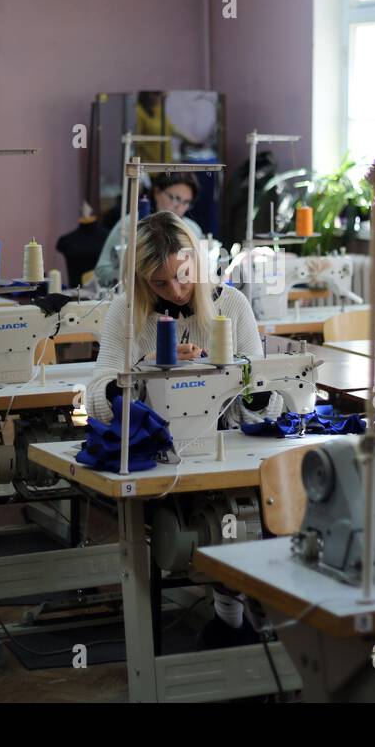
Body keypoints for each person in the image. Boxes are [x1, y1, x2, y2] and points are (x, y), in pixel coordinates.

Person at [85, 210, 269, 647]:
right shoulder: (126, 314)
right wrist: (146, 375)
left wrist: (252, 391)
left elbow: (261, 403)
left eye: (183, 276)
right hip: (158, 459)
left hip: (227, 449)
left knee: (272, 509)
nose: (177, 290)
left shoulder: (232, 305)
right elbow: (95, 398)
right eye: (159, 283)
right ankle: (230, 613)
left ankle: (246, 615)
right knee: (221, 521)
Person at [91, 172, 203, 288]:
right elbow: (101, 272)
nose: (179, 207)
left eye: (186, 202)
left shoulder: (193, 230)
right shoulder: (131, 224)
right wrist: (136, 275)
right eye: (175, 198)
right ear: (157, 192)